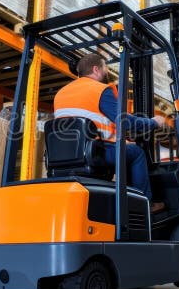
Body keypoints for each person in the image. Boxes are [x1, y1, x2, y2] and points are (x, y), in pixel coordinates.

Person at [53, 53, 167, 212]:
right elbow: (126, 122)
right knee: (136, 152)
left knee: (126, 148)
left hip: (64, 157)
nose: (107, 71)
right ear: (96, 69)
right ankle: (145, 205)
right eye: (105, 67)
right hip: (92, 153)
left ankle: (127, 200)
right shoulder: (99, 90)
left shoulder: (61, 93)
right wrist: (154, 122)